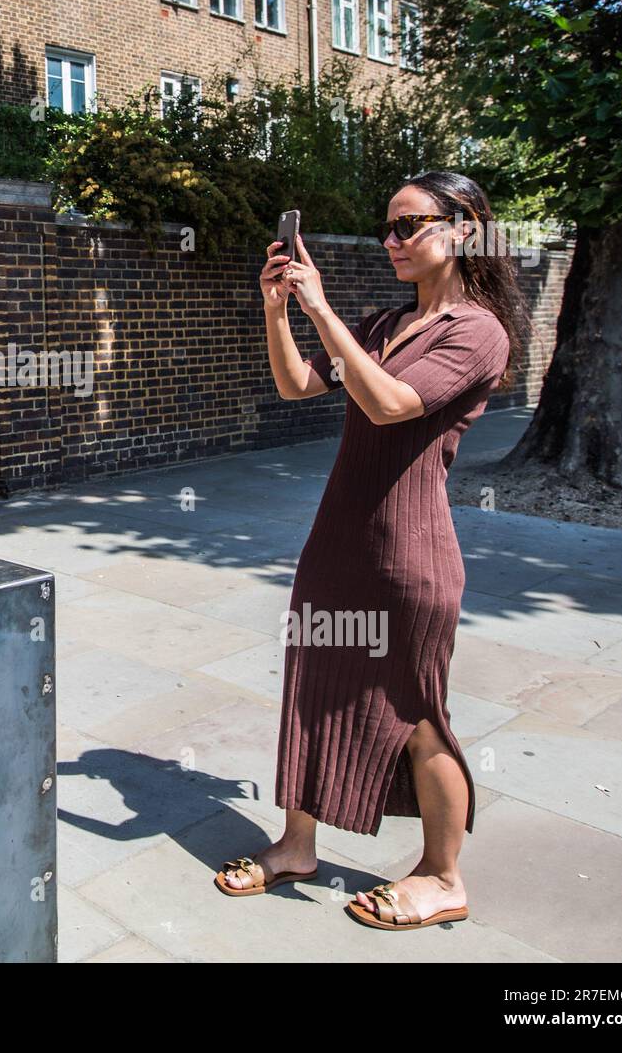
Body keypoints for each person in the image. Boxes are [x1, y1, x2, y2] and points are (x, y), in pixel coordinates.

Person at [215, 171, 530, 931]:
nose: (392, 240)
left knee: (417, 712)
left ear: (463, 229)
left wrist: (322, 307)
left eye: (409, 225)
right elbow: (297, 385)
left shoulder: (477, 331)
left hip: (408, 555)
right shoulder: (389, 320)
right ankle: (296, 845)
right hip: (338, 542)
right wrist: (278, 310)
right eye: (387, 227)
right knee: (312, 688)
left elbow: (389, 406)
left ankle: (442, 875)